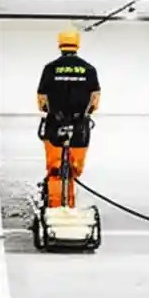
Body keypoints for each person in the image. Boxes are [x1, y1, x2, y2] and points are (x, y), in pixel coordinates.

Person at [36, 29, 101, 208]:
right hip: (80, 127)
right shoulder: (89, 69)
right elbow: (95, 100)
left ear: (60, 44)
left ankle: (54, 206)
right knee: (74, 169)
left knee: (55, 168)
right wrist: (83, 115)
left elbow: (42, 100)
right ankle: (70, 204)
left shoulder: (50, 68)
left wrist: (53, 112)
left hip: (54, 125)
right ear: (77, 45)